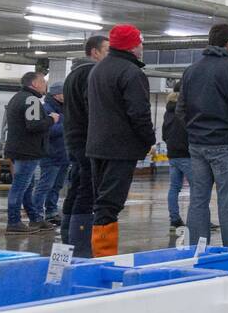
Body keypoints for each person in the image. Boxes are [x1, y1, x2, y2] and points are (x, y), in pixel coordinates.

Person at [177, 23, 228, 248]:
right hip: (226, 144)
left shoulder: (191, 70)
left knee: (198, 200)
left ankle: (196, 251)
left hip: (197, 146)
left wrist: (194, 130)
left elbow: (180, 109)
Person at [86, 25, 155, 256]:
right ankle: (103, 258)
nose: (142, 47)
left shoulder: (97, 70)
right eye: (140, 42)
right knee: (110, 205)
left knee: (101, 202)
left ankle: (99, 253)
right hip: (120, 148)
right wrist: (148, 140)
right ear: (132, 45)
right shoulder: (131, 72)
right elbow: (139, 113)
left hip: (97, 145)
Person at [61, 34, 109, 255]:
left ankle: (68, 238)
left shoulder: (73, 75)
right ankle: (80, 246)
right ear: (94, 52)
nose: (110, 56)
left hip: (73, 138)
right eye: (107, 51)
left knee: (78, 187)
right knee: (88, 191)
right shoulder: (91, 73)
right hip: (87, 140)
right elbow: (94, 109)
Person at [2, 71, 58, 234]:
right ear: (34, 84)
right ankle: (13, 222)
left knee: (27, 186)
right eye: (43, 82)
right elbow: (33, 125)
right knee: (20, 186)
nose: (45, 85)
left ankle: (35, 220)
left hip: (18, 149)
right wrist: (51, 119)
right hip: (27, 151)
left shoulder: (17, 97)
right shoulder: (31, 99)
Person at [32, 80, 69, 227]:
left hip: (64, 155)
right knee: (45, 186)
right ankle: (37, 215)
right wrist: (66, 125)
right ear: (57, 94)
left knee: (56, 187)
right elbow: (48, 131)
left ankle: (51, 212)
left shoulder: (64, 109)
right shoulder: (46, 109)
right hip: (51, 155)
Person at [161, 91, 190, 231]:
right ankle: (199, 220)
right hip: (186, 155)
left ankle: (175, 219)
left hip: (172, 155)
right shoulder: (184, 113)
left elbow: (164, 135)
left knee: (174, 188)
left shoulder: (167, 114)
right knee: (199, 189)